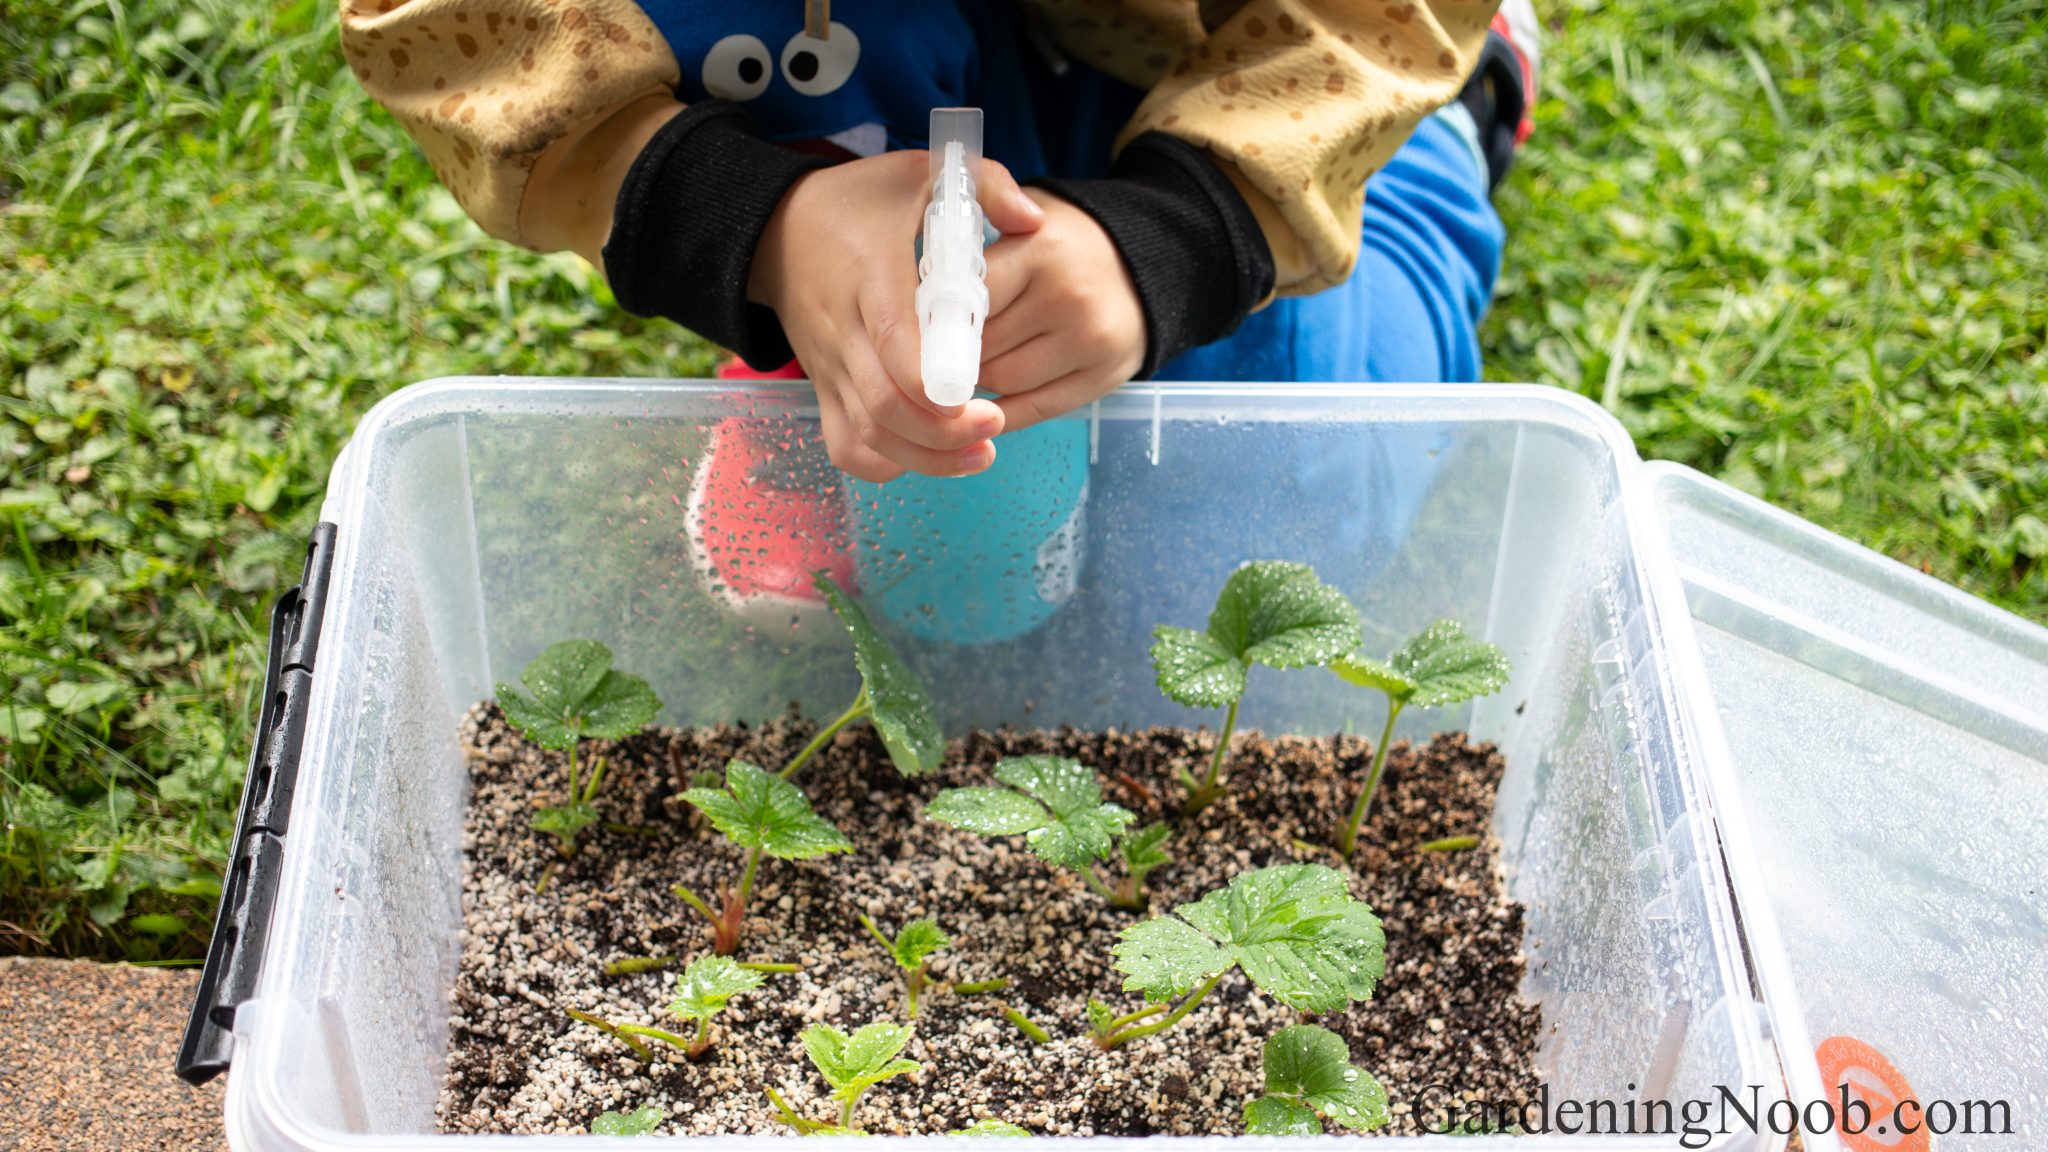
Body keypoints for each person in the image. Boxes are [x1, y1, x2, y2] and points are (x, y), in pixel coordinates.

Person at [343, 0, 1537, 643]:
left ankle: (1449, 119)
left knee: (1308, 502)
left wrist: (1191, 224)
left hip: (1261, 47)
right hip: (879, 40)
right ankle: (827, 324)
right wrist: (755, 222)